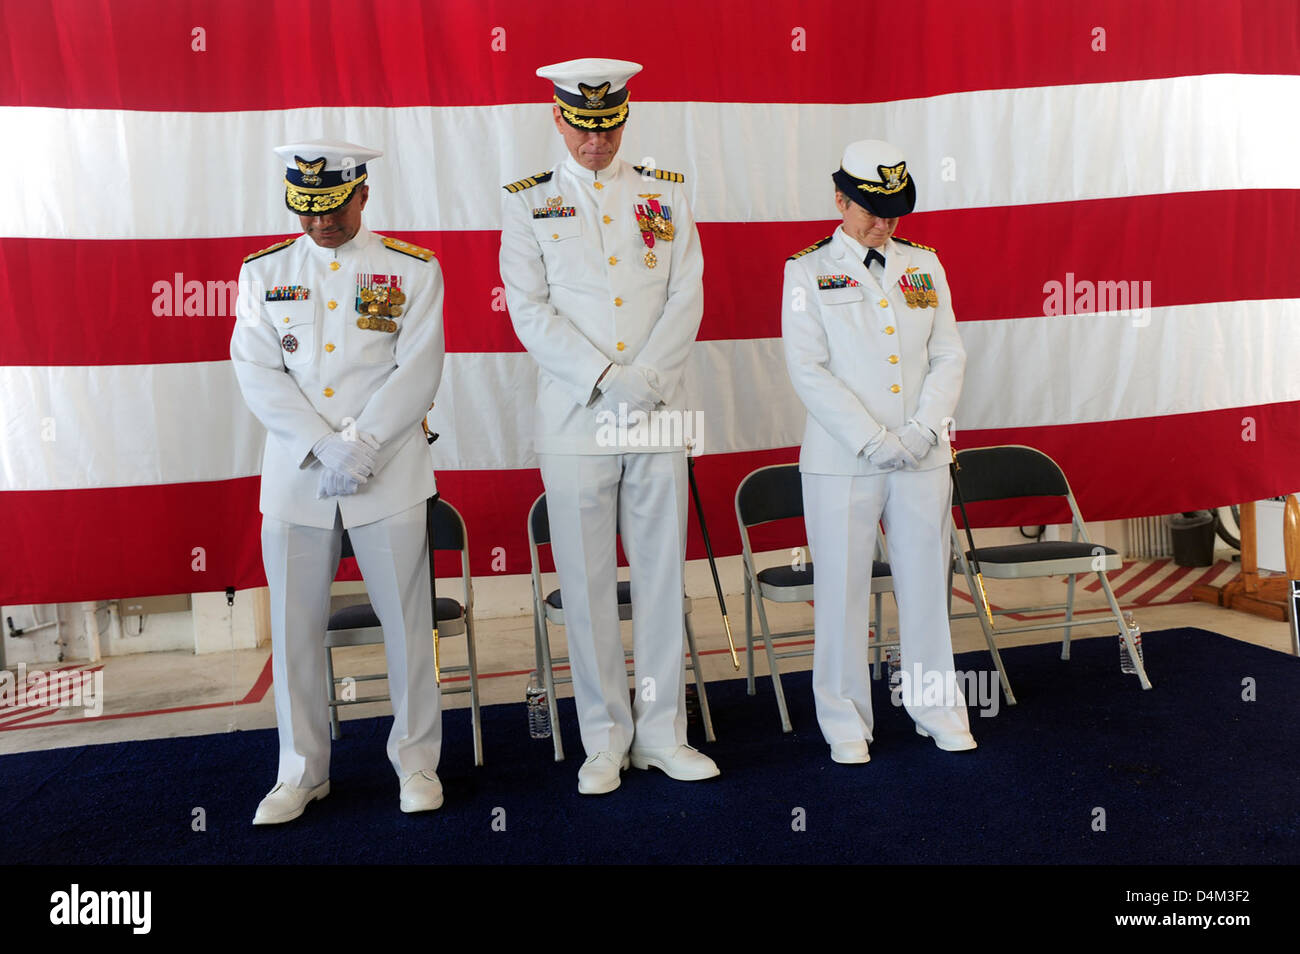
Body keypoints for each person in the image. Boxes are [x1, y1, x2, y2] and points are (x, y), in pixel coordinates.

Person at [499, 58, 719, 794]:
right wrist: (603, 380)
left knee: (660, 577)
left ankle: (662, 733)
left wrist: (644, 382)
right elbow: (530, 311)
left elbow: (685, 294)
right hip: (575, 416)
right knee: (588, 586)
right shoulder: (527, 203)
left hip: (658, 409)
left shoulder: (668, 193)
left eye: (608, 125)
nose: (595, 141)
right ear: (557, 120)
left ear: (624, 119)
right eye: (581, 126)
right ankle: (603, 739)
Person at [231, 139, 447, 822]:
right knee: (295, 633)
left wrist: (364, 444)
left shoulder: (412, 269)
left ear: (361, 195)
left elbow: (418, 367)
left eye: (332, 209)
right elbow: (258, 372)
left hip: (388, 474)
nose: (320, 224)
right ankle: (300, 771)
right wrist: (324, 445)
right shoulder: (264, 272)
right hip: (298, 478)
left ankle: (416, 765)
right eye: (307, 210)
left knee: (407, 627)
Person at [781, 139, 977, 764]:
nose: (882, 220)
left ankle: (935, 706)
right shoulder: (805, 270)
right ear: (839, 199)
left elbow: (948, 354)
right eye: (868, 206)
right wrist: (871, 439)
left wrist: (923, 430)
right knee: (840, 591)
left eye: (892, 208)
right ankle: (844, 721)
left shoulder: (924, 264)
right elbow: (807, 369)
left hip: (921, 455)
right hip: (844, 459)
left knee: (925, 587)